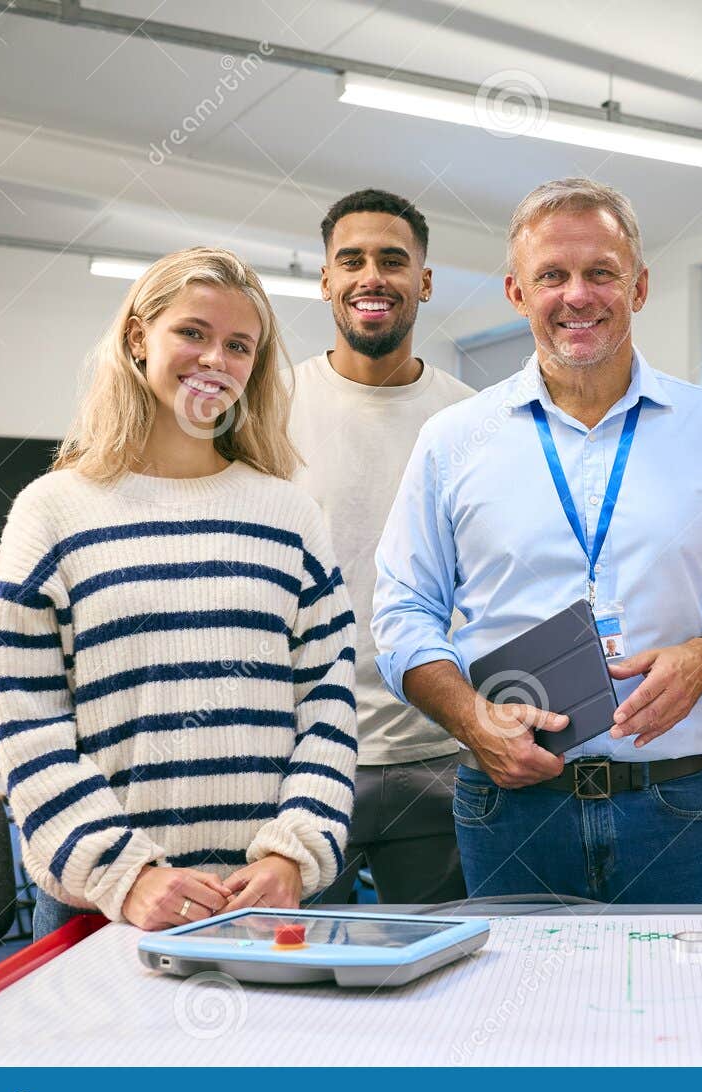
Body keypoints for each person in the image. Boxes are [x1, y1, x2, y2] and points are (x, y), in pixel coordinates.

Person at [372, 178, 702, 903]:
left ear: (639, 287)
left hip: (674, 804)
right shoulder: (452, 441)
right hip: (509, 807)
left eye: (601, 272)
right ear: (518, 292)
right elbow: (402, 612)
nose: (578, 295)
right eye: (553, 275)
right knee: (521, 1017)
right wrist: (470, 717)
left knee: (688, 1013)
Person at [0, 247, 357, 939]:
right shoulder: (51, 513)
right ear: (138, 338)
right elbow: (29, 728)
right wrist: (126, 875)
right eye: (193, 332)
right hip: (105, 911)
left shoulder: (291, 518)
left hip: (264, 905)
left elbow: (328, 705)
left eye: (239, 344)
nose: (216, 358)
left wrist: (291, 854)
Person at [289, 190, 476, 904]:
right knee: (301, 982)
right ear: (327, 280)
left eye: (393, 260)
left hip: (439, 754)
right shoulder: (270, 405)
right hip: (304, 757)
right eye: (352, 260)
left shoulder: (470, 419)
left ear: (424, 281)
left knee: (443, 981)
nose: (372, 276)